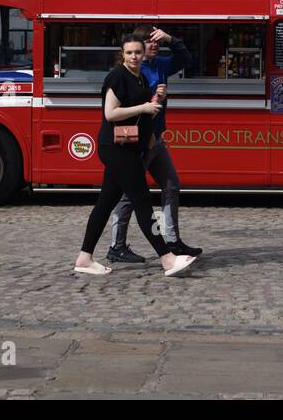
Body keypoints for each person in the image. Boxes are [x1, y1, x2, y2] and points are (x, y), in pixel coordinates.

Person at [74, 33, 197, 277]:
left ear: (144, 53)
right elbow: (110, 113)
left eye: (137, 52)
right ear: (122, 54)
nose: (134, 56)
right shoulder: (118, 76)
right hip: (116, 149)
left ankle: (84, 258)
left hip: (127, 146)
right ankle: (167, 259)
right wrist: (144, 106)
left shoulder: (138, 77)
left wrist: (155, 100)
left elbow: (138, 115)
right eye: (129, 52)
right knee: (142, 202)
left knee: (105, 203)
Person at [106, 26, 202, 264]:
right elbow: (129, 105)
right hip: (138, 141)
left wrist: (171, 38)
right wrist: (155, 97)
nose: (154, 45)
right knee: (130, 193)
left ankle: (172, 241)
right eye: (150, 42)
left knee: (171, 184)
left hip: (156, 139)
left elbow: (186, 59)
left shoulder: (160, 64)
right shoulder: (133, 71)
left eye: (157, 42)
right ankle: (116, 246)